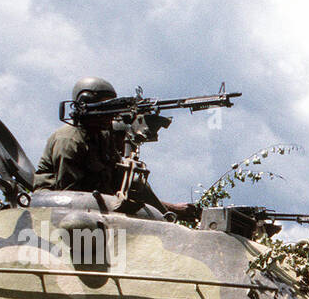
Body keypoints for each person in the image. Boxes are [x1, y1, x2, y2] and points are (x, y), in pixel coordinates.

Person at [33, 76, 198, 221]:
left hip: (97, 208)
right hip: (58, 214)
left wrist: (169, 209)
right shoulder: (70, 141)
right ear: (85, 106)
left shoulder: (102, 136)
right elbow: (71, 199)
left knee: (135, 182)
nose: (111, 116)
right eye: (105, 109)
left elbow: (121, 186)